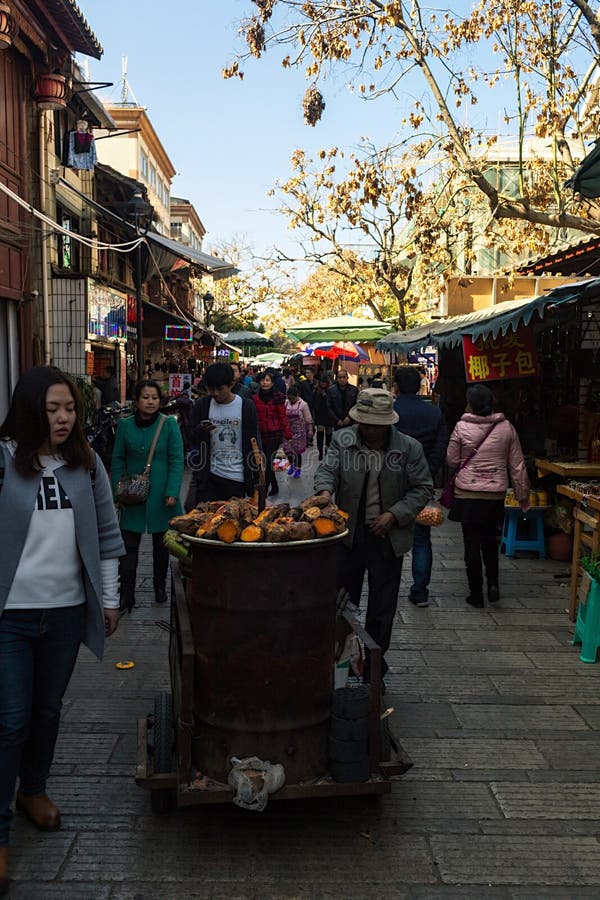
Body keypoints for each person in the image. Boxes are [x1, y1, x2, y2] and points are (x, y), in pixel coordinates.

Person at [0, 366, 124, 893]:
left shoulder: (85, 463)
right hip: (11, 616)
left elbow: (106, 532)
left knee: (48, 710)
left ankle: (35, 789)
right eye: (53, 409)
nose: (64, 418)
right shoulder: (4, 459)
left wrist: (110, 598)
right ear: (31, 410)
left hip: (66, 611)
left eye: (70, 408)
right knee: (9, 721)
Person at [315, 389, 433, 684]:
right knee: (342, 603)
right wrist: (325, 493)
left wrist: (394, 515)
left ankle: (374, 667)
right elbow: (327, 470)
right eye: (364, 423)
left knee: (382, 607)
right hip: (348, 536)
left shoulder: (408, 448)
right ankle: (340, 664)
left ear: (387, 424)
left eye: (374, 425)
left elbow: (422, 489)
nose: (368, 429)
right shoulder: (343, 440)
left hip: (386, 539)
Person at [446, 383, 530, 607]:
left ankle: (476, 595)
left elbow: (452, 460)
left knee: (471, 544)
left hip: (467, 493)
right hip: (494, 494)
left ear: (471, 404)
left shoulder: (461, 427)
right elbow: (517, 465)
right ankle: (493, 584)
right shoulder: (506, 428)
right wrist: (522, 495)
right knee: (490, 542)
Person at [111, 380, 184, 611]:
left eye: (154, 397)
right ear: (136, 400)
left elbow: (176, 459)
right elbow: (117, 460)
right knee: (128, 547)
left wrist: (172, 491)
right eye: (145, 397)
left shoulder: (169, 425)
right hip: (132, 494)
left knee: (161, 547)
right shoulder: (124, 426)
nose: (150, 402)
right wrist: (117, 491)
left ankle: (159, 586)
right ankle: (127, 594)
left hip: (162, 494)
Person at [394, 366, 449, 607]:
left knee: (389, 534)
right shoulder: (433, 413)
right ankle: (419, 592)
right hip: (422, 482)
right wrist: (428, 469)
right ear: (419, 385)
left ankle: (389, 587)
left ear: (395, 386)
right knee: (421, 538)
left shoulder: (391, 411)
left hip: (392, 482)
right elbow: (441, 446)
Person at [186, 362, 261, 506]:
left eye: (220, 389)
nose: (215, 393)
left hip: (237, 479)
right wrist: (200, 430)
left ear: (231, 384)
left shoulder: (246, 406)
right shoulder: (203, 405)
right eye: (211, 389)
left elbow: (254, 442)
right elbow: (190, 437)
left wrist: (256, 480)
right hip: (209, 478)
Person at [253, 371, 291, 496]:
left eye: (268, 380)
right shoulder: (254, 398)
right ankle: (274, 486)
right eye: (263, 380)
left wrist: (287, 434)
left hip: (274, 434)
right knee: (264, 462)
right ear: (259, 382)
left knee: (268, 462)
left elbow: (282, 416)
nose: (265, 382)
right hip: (260, 434)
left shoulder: (278, 397)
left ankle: (264, 489)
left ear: (272, 382)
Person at [283, 385, 314, 478]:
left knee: (297, 452)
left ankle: (297, 470)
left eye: (293, 399)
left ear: (297, 396)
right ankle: (291, 465)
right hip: (288, 431)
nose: (291, 400)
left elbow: (308, 418)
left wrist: (310, 430)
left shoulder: (303, 404)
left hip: (299, 432)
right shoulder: (286, 404)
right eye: (290, 399)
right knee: (287, 450)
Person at [314, 373, 333, 461]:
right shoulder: (316, 390)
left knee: (329, 433)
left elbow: (332, 403)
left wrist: (326, 396)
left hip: (329, 414)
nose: (323, 384)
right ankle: (320, 452)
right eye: (322, 382)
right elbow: (314, 403)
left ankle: (327, 449)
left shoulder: (331, 391)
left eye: (324, 382)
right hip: (320, 414)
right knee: (320, 433)